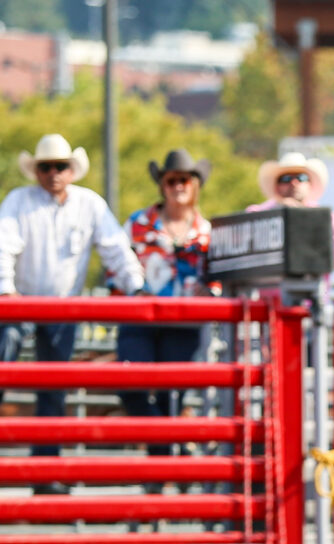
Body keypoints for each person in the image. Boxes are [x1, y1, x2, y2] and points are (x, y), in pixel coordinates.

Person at [0, 133, 144, 490]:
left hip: (61, 306)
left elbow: (115, 248)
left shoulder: (88, 204)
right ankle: (42, 472)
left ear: (71, 169)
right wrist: (6, 290)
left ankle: (45, 472)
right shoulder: (20, 201)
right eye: (45, 167)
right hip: (19, 303)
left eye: (59, 166)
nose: (53, 173)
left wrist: (137, 286)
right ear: (36, 171)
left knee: (54, 388)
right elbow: (4, 244)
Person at [117, 149, 218, 477]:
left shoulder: (208, 231)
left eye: (185, 180)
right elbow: (116, 265)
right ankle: (170, 453)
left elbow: (220, 277)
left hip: (186, 322)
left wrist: (211, 290)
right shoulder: (136, 223)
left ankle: (163, 468)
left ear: (195, 185)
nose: (178, 186)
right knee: (130, 382)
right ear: (162, 185)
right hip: (140, 318)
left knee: (173, 393)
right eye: (172, 180)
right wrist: (133, 289)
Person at [247, 151, 334, 302]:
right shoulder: (256, 216)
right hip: (262, 312)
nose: (293, 183)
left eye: (301, 178)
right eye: (286, 178)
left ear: (310, 184)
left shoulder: (326, 219)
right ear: (276, 186)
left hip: (310, 310)